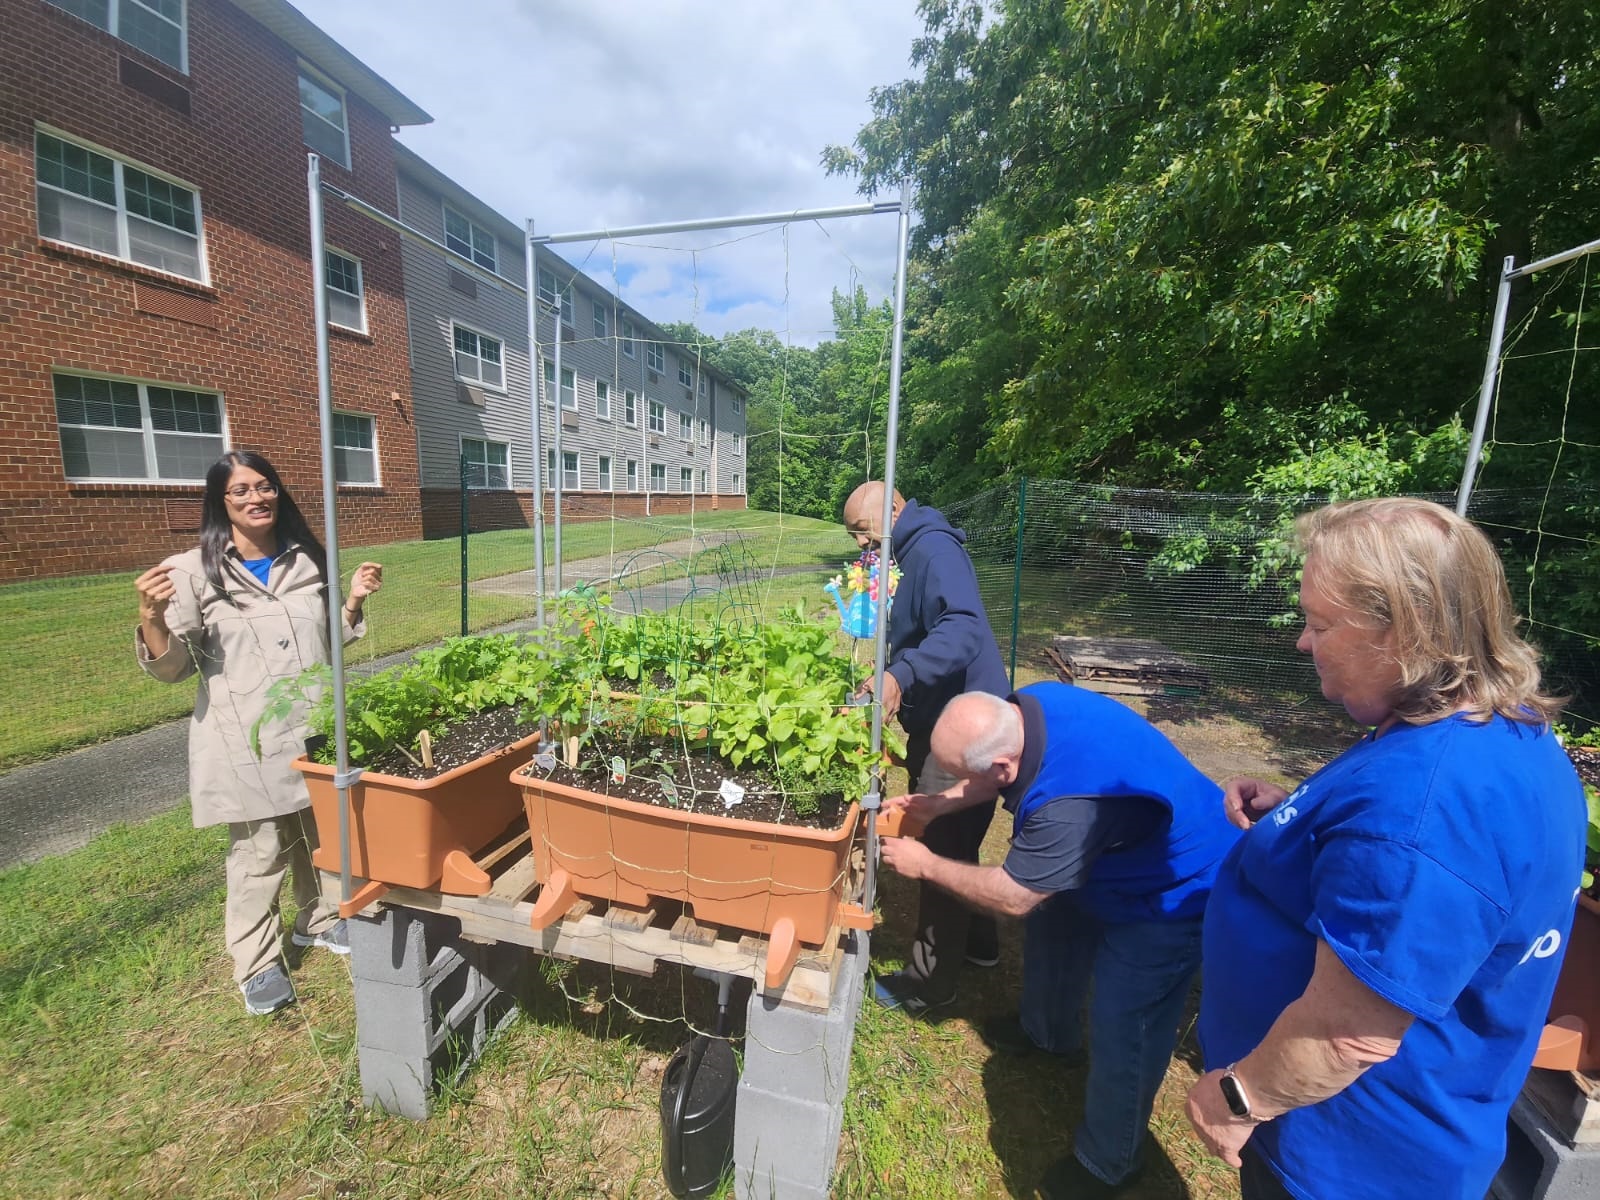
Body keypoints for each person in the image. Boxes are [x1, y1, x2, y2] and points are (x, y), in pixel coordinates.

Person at [1185, 497, 1587, 1200]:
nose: (1302, 643)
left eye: (1319, 624)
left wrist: (1239, 1099)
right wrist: (1302, 822)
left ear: (1403, 631)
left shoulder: (1426, 807)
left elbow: (1350, 1035)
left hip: (1342, 1160)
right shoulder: (1500, 731)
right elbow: (1432, 885)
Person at [880, 682, 1242, 1198]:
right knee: (1054, 926)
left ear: (1003, 765)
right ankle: (1048, 1033)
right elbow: (994, 774)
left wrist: (928, 864)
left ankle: (1110, 1161)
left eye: (965, 773)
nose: (964, 783)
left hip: (1177, 887)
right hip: (1112, 853)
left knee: (1127, 1018)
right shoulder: (1030, 706)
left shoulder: (1067, 804)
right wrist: (937, 803)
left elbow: (1013, 896)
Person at [135, 451, 383, 1016]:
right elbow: (173, 667)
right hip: (245, 735)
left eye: (265, 486)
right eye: (241, 490)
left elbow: (323, 644)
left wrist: (353, 602)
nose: (256, 497)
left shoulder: (305, 559)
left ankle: (318, 921)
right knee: (259, 851)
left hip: (313, 723)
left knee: (320, 833)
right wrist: (151, 619)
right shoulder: (193, 571)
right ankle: (257, 963)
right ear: (220, 501)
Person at [843, 480, 1012, 1013]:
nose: (860, 545)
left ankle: (929, 984)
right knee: (959, 836)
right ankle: (980, 946)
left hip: (964, 726)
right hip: (943, 714)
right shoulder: (905, 549)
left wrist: (903, 673)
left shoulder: (934, 547)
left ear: (893, 509)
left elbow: (963, 628)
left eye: (862, 531)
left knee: (938, 844)